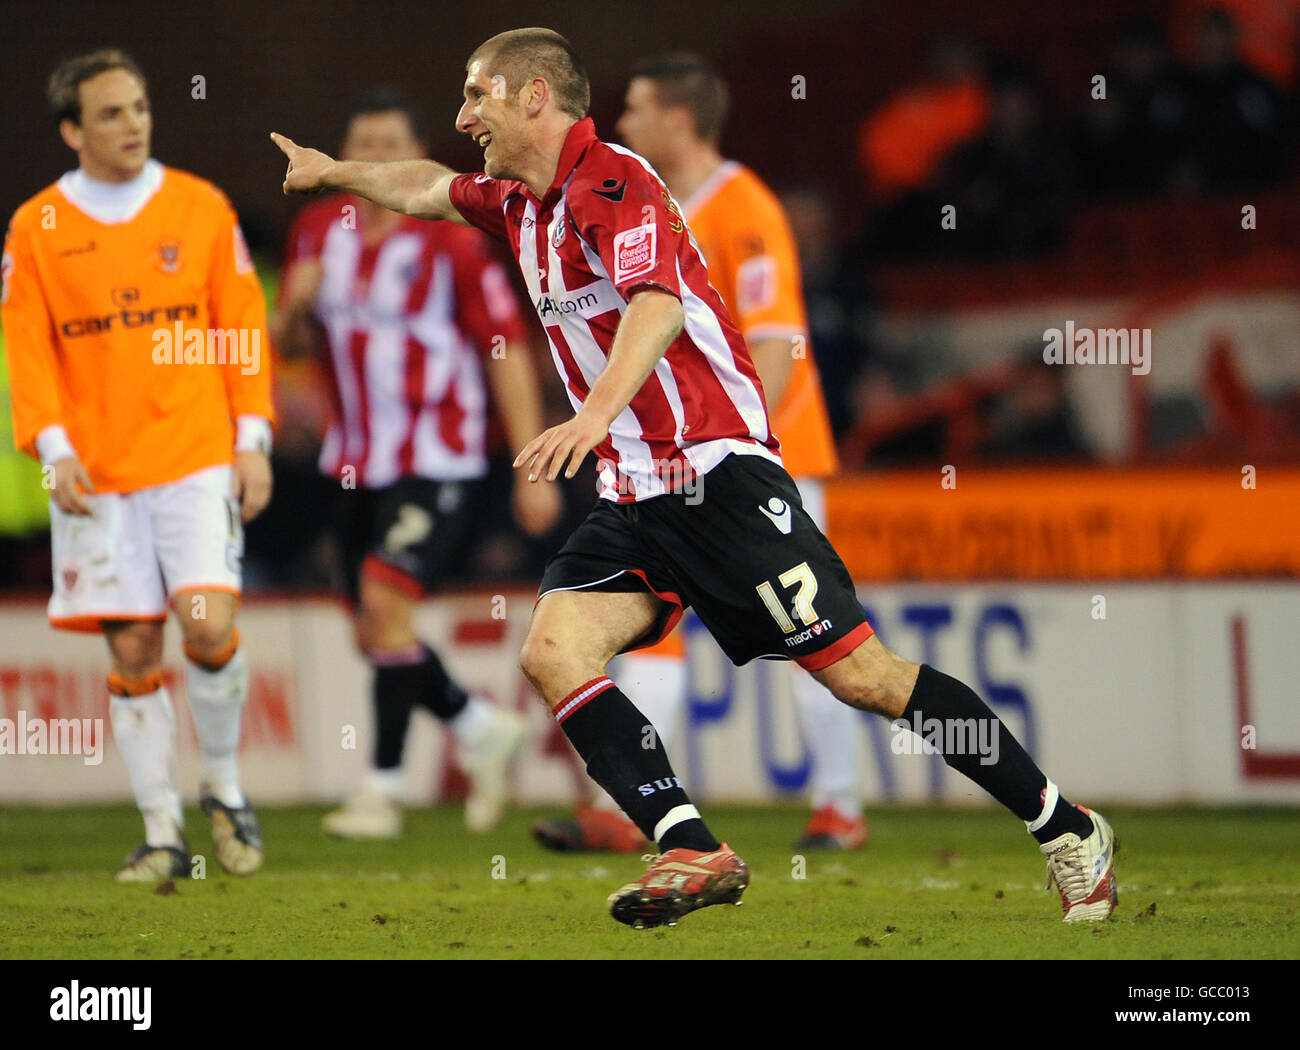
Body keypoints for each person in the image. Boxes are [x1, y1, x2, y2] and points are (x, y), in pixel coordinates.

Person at [271, 26, 1119, 929]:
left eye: (477, 95)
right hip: (634, 495)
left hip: (716, 474)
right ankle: (689, 843)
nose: (462, 116)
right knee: (553, 650)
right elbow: (427, 187)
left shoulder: (616, 183)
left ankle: (1064, 825)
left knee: (864, 676)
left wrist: (592, 416)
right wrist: (335, 175)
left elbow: (658, 305)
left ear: (534, 97)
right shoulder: (521, 203)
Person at [528, 52, 866, 856]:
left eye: (638, 108)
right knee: (655, 637)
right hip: (662, 467)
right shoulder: (639, 200)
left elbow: (777, 347)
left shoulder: (745, 208)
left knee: (819, 640)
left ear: (679, 119)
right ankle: (629, 812)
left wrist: (742, 454)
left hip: (756, 460)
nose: (624, 123)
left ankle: (839, 806)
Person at [2, 49, 273, 882]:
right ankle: (163, 830)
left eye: (141, 106)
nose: (134, 124)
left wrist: (252, 440)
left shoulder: (198, 207)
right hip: (99, 472)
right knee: (131, 649)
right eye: (112, 113)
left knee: (207, 626)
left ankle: (223, 787)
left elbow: (240, 324)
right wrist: (52, 450)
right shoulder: (36, 226)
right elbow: (29, 349)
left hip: (193, 455)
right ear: (72, 130)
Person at [272, 88, 561, 839]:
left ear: (413, 150)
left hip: (439, 457)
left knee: (385, 600)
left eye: (387, 143)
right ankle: (478, 727)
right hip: (352, 463)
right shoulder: (315, 231)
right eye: (359, 143)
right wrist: (293, 313)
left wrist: (531, 465)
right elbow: (295, 347)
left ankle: (382, 791)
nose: (371, 156)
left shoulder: (453, 238)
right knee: (373, 628)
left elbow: (507, 353)